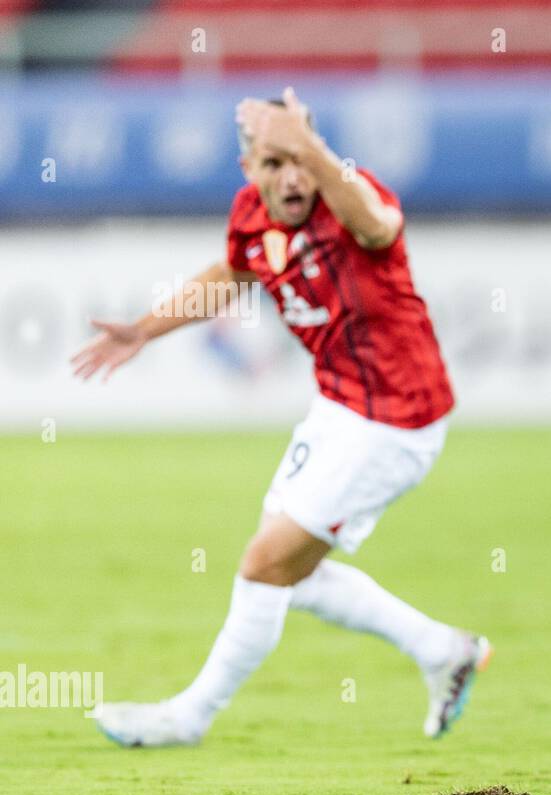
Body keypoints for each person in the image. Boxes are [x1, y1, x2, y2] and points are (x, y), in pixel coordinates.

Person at [71, 88, 489, 747]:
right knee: (296, 574)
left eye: (299, 160)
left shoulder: (349, 197)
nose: (291, 177)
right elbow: (230, 272)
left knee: (264, 564)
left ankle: (190, 717)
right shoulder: (251, 217)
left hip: (395, 419)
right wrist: (145, 331)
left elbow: (378, 226)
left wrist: (309, 147)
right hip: (339, 406)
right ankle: (441, 648)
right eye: (273, 163)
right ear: (249, 172)